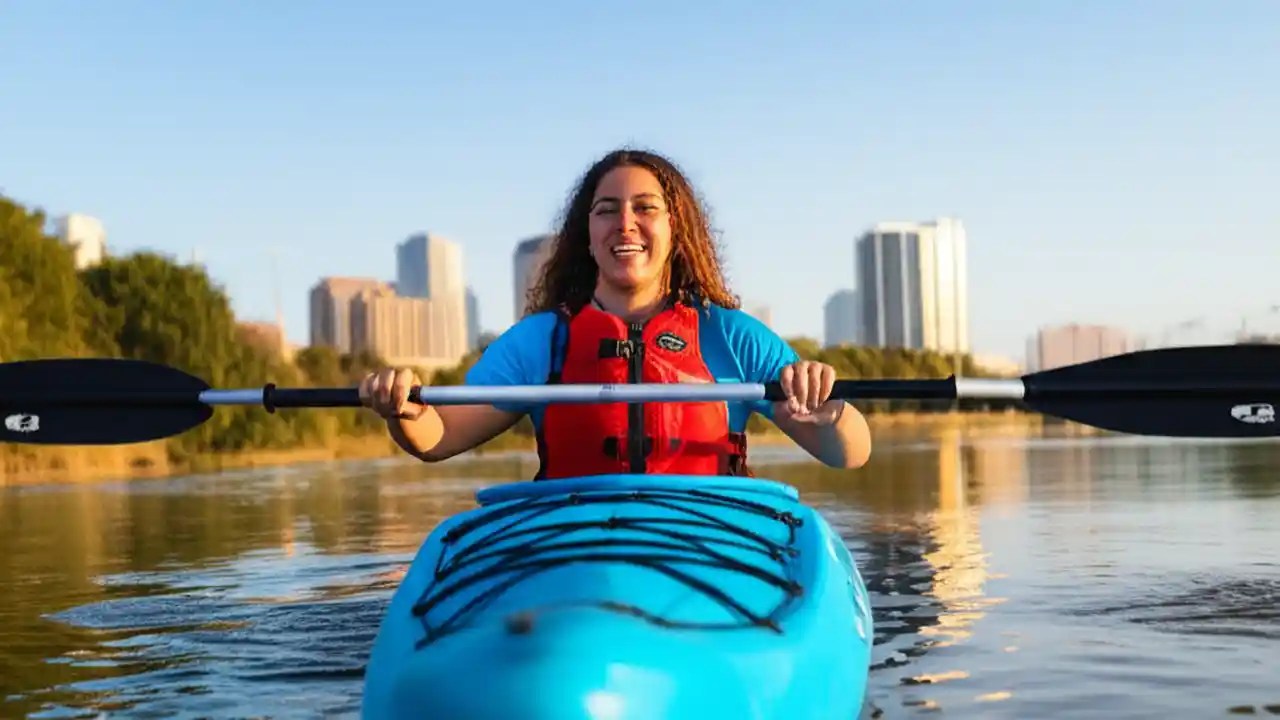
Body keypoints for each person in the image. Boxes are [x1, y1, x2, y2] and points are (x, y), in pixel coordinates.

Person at [359, 148, 872, 478]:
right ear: (588, 234)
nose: (625, 224)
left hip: (708, 544)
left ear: (676, 229)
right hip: (576, 548)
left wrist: (828, 415)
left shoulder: (731, 337)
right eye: (607, 210)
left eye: (645, 208)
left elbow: (850, 451)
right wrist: (406, 411)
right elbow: (440, 436)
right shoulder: (542, 342)